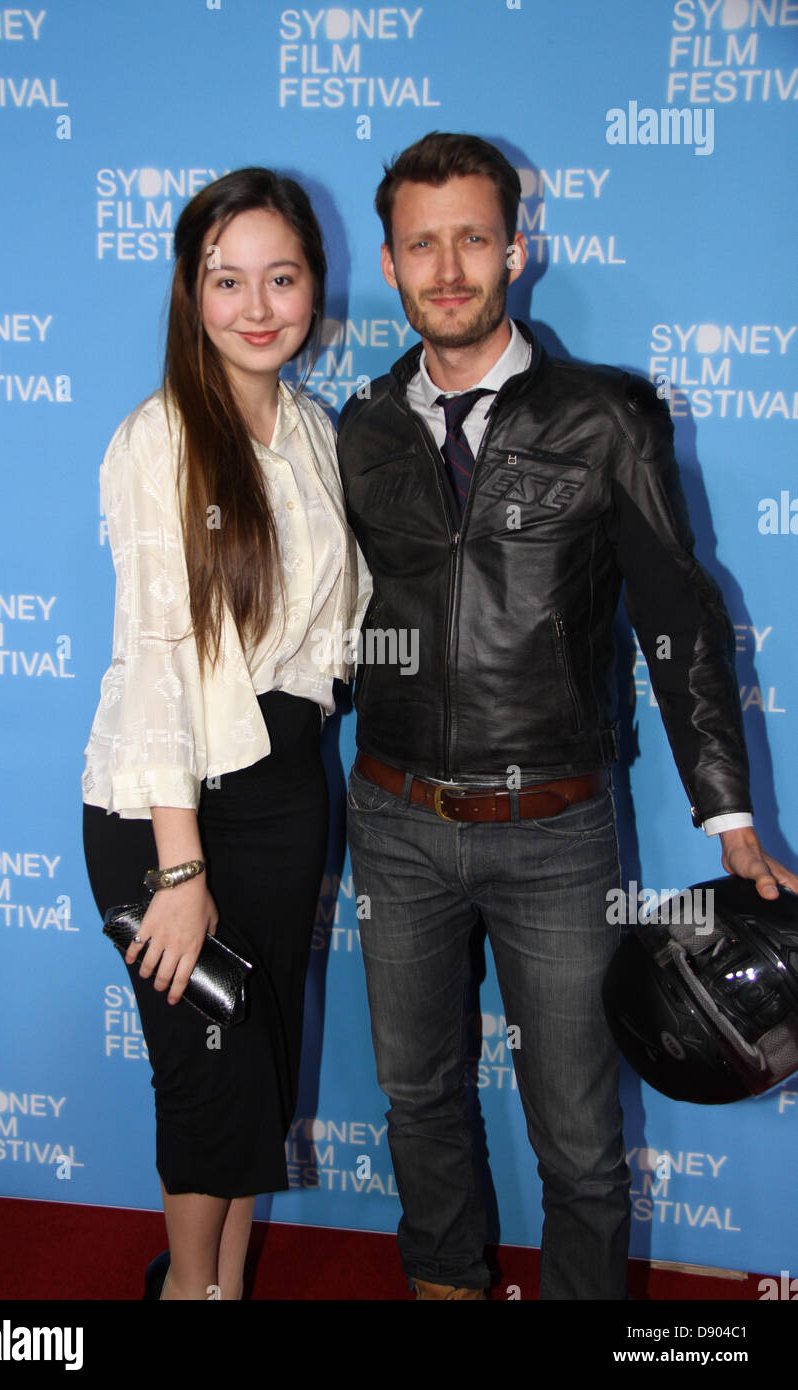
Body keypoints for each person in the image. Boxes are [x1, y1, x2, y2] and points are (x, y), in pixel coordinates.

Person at [336, 131, 798, 1300]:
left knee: (582, 1138)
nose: (448, 268)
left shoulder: (604, 418)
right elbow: (320, 627)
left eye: (472, 240)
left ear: (516, 251)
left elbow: (677, 616)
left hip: (554, 832)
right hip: (390, 818)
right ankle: (443, 1282)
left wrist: (727, 814)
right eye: (421, 244)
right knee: (414, 1095)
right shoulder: (357, 431)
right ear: (388, 265)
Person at [82, 167, 369, 1301]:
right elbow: (159, 657)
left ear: (314, 286)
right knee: (205, 1078)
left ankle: (223, 1287)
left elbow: (328, 638)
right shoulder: (157, 442)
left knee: (258, 1075)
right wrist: (180, 865)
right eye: (227, 279)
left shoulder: (315, 431)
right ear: (188, 293)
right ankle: (183, 1295)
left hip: (289, 789)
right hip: (170, 806)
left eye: (281, 277)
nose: (258, 306)